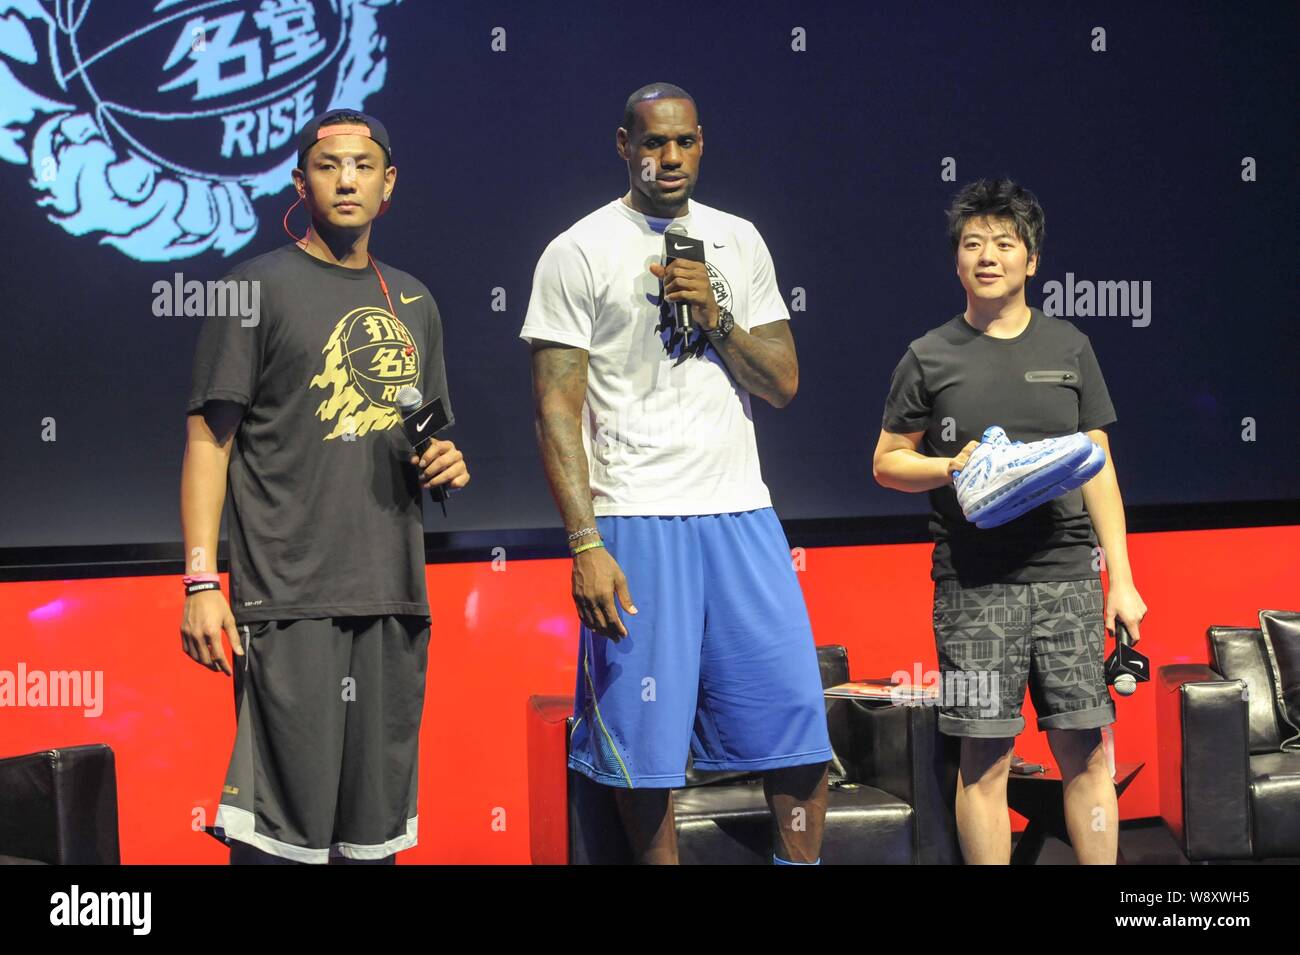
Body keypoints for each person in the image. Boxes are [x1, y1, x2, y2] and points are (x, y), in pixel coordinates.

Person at [520, 83, 832, 865]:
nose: (669, 158)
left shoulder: (739, 240)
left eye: (683, 142)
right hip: (635, 515)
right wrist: (585, 540)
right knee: (644, 743)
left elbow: (784, 382)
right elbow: (557, 410)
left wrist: (717, 315)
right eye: (652, 143)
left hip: (740, 514)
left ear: (701, 143)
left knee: (795, 723)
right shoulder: (578, 249)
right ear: (623, 144)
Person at [180, 109, 469, 864]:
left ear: (388, 183)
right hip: (288, 598)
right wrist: (199, 580)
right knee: (280, 838)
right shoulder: (249, 288)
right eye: (329, 165)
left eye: (364, 165)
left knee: (373, 841)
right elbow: (209, 442)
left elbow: (427, 434)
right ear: (300, 180)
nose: (347, 179)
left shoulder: (414, 302)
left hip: (392, 594)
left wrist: (445, 461)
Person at [873, 178, 1148, 864]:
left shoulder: (1070, 346)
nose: (987, 255)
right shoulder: (928, 355)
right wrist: (949, 465)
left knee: (1086, 753)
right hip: (973, 588)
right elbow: (886, 462)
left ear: (1032, 260)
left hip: (1067, 580)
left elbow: (1100, 463)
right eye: (973, 244)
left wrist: (1121, 579)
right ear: (957, 261)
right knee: (984, 761)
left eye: (1004, 243)